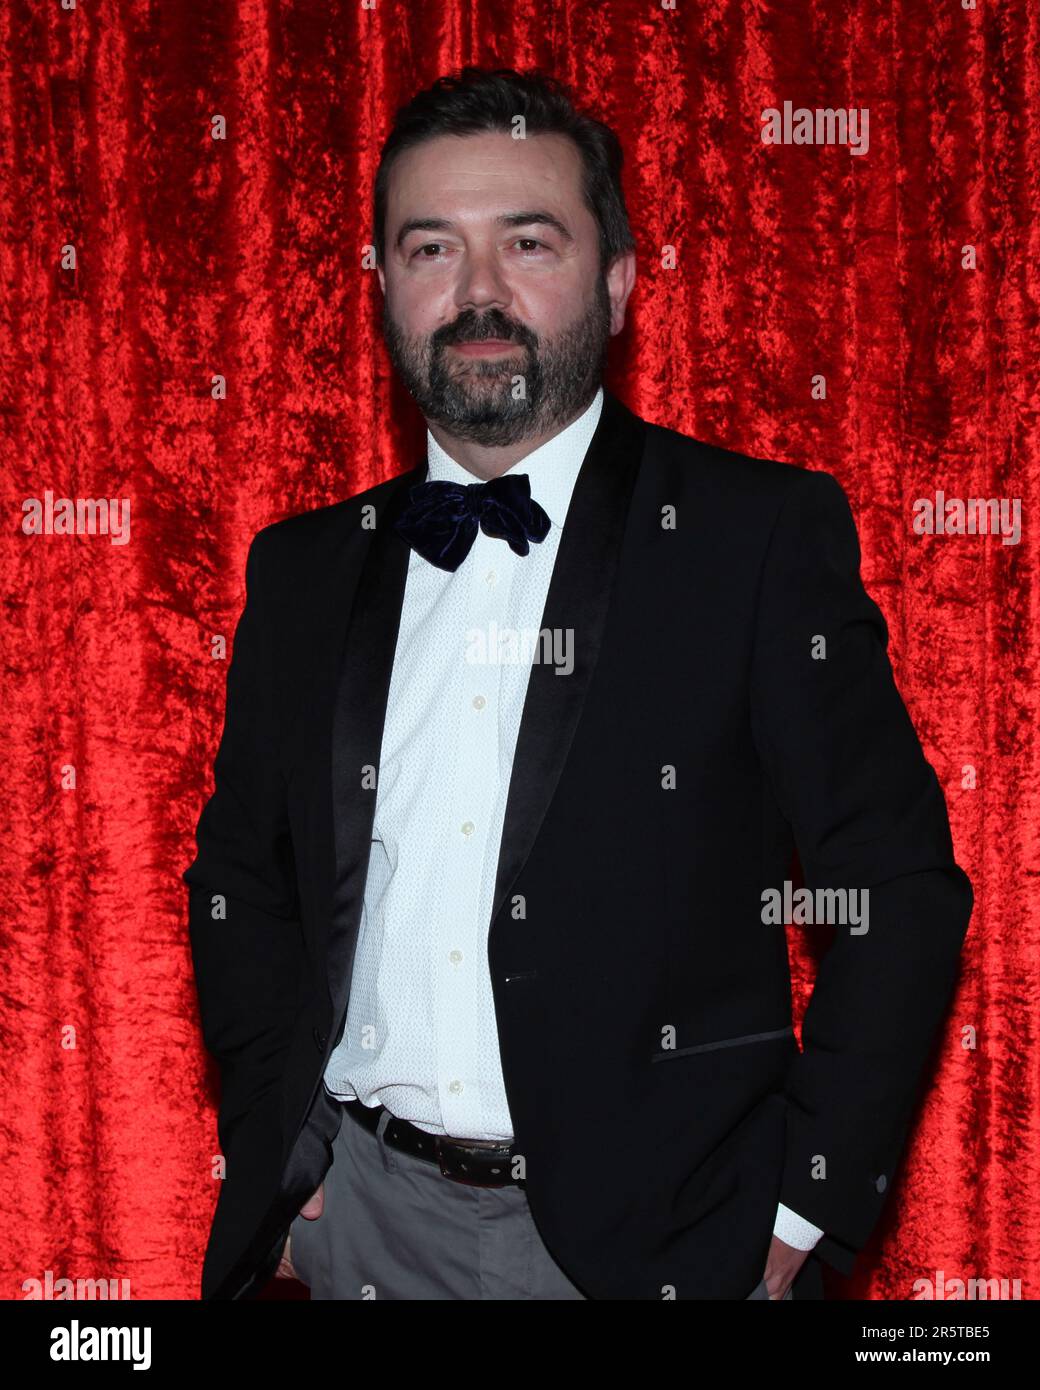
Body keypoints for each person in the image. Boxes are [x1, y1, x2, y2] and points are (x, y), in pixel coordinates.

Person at [184, 65, 973, 1301]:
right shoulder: (301, 570)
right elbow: (241, 877)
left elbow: (896, 887)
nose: (479, 292)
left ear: (614, 285)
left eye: (529, 241)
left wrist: (803, 1208)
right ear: (382, 284)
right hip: (358, 1227)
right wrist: (284, 1160)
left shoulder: (749, 537)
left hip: (659, 1243)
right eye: (432, 246)